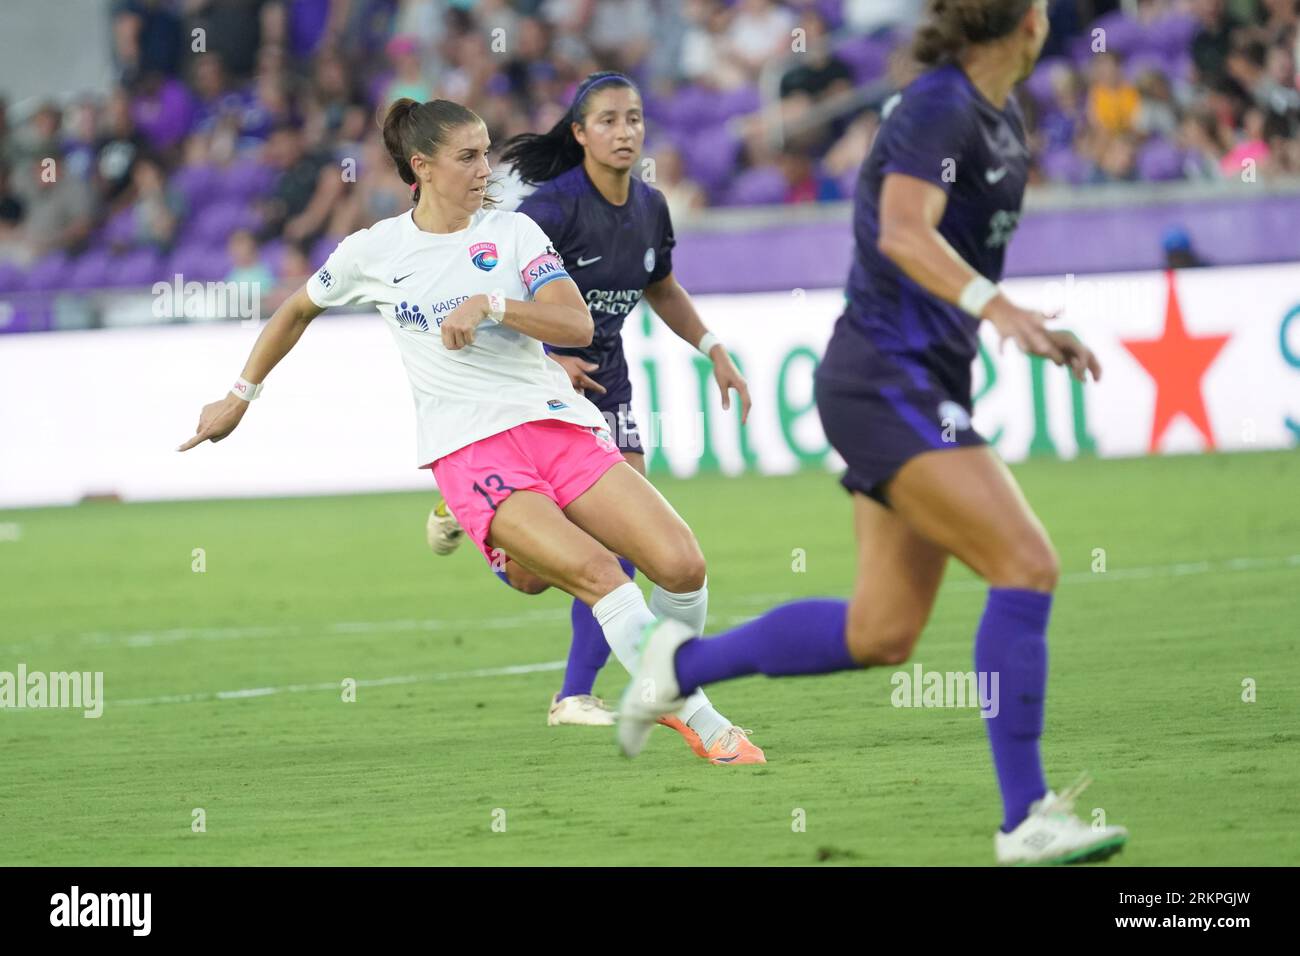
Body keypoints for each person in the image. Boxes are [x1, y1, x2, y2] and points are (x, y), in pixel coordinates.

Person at [614, 0, 1130, 866]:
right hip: (882, 377)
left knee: (880, 633)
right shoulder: (940, 105)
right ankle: (1025, 820)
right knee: (1027, 564)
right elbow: (900, 231)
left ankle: (678, 667)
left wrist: (1000, 318)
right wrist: (1000, 308)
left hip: (925, 378)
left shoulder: (1002, 120)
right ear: (1023, 24)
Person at [177, 96, 760, 767]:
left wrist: (492, 305)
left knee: (682, 565)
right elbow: (295, 311)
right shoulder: (374, 250)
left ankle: (521, 564)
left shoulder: (514, 234)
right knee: (601, 574)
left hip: (557, 425)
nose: (486, 168)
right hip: (471, 448)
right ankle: (703, 721)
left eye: (486, 153)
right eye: (469, 156)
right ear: (422, 166)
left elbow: (576, 325)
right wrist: (240, 395)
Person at [427, 71, 764, 765]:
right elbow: (492, 294)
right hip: (534, 393)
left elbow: (661, 285)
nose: (625, 131)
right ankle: (471, 507)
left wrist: (712, 347)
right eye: (608, 120)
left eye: (634, 118)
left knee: (631, 548)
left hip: (608, 388)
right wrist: (551, 360)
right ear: (579, 133)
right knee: (534, 576)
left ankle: (579, 694)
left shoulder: (651, 206)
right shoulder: (550, 211)